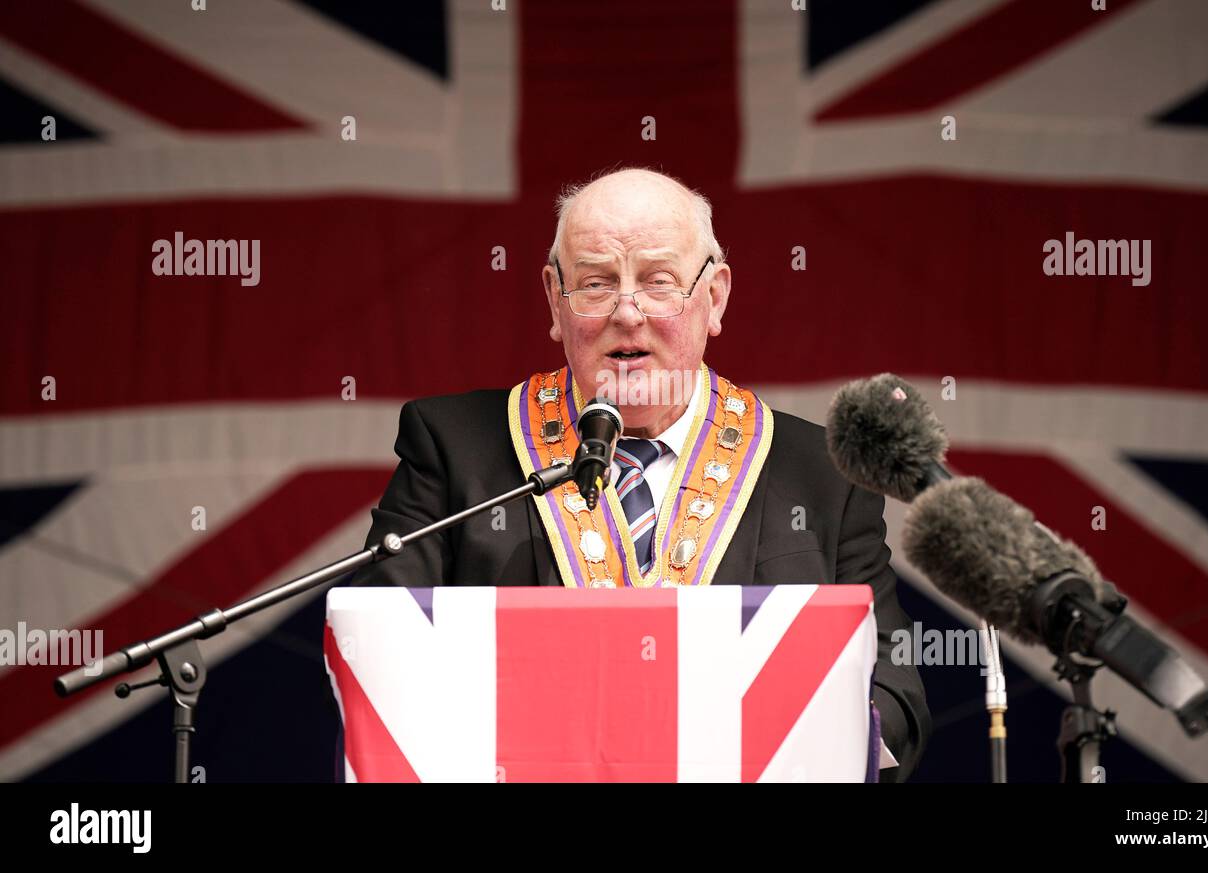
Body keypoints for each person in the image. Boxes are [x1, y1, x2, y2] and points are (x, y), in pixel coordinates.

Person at [350, 167, 930, 780]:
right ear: (554, 299)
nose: (627, 313)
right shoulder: (454, 447)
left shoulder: (822, 473)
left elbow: (894, 692)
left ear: (716, 297)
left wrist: (800, 738)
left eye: (659, 282)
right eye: (596, 283)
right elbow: (382, 650)